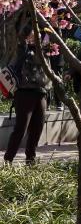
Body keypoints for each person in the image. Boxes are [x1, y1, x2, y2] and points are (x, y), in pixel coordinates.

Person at [3, 32, 50, 164]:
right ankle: (8, 160)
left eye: (38, 38)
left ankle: (31, 159)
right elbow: (19, 56)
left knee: (37, 127)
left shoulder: (45, 51)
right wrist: (25, 41)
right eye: (33, 37)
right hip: (24, 92)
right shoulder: (23, 50)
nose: (36, 40)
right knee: (21, 129)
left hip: (41, 92)